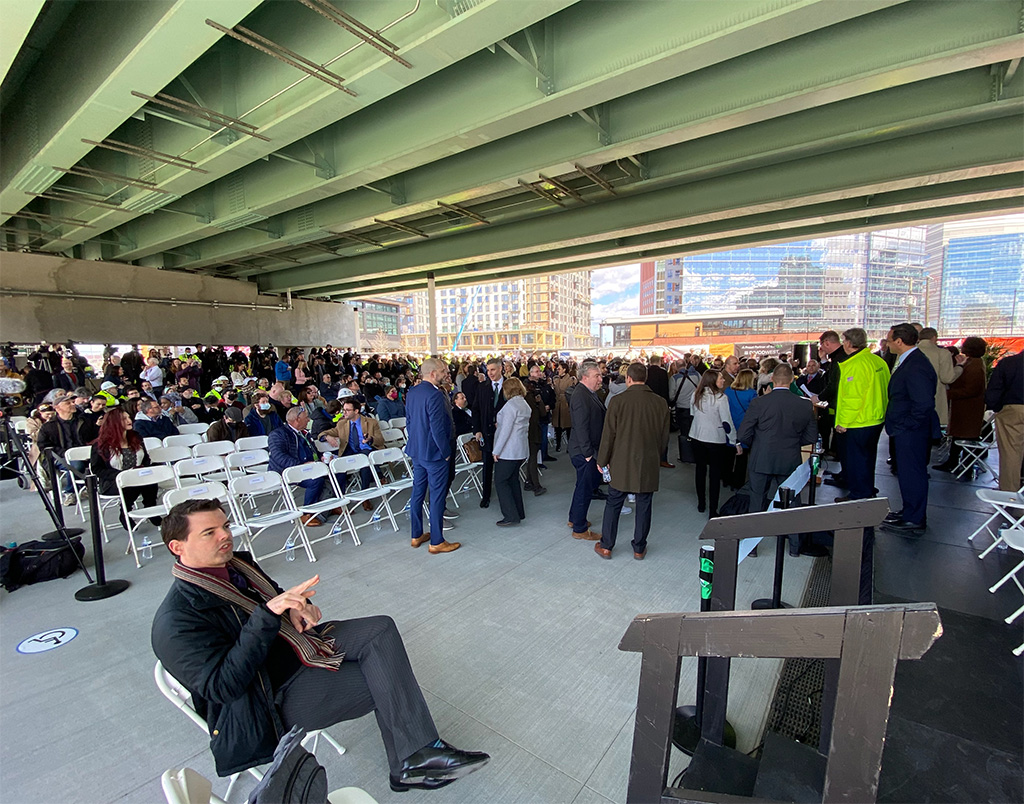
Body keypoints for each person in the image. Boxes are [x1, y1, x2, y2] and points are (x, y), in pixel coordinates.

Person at [151, 498, 489, 792]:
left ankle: (413, 758)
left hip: (297, 648)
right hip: (269, 699)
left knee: (381, 630)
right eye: (209, 533)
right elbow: (224, 686)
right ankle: (413, 759)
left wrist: (299, 609)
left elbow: (278, 600)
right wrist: (269, 616)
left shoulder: (237, 564)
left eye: (225, 526)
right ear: (177, 547)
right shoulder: (176, 620)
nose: (225, 535)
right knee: (385, 678)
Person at [593, 363, 670, 560]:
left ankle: (607, 545)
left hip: (621, 460)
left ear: (628, 378)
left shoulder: (618, 401)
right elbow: (664, 437)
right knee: (644, 504)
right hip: (648, 460)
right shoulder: (660, 402)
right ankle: (639, 548)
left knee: (614, 502)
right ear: (646, 379)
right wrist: (656, 455)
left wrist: (602, 460)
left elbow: (608, 434)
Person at [880, 323, 939, 535]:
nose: (886, 343)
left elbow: (923, 403)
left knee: (913, 473)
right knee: (907, 473)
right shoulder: (910, 361)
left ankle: (914, 518)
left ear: (899, 341)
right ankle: (909, 511)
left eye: (889, 339)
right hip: (907, 429)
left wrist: (906, 425)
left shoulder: (916, 365)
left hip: (912, 431)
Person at [737, 364, 817, 517]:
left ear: (772, 379)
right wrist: (792, 443)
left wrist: (758, 443)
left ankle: (752, 537)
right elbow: (811, 436)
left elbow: (743, 434)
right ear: (792, 380)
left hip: (761, 456)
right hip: (789, 458)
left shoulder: (759, 403)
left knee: (756, 500)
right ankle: (794, 539)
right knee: (791, 500)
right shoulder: (805, 405)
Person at [405, 358, 459, 553]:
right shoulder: (434, 395)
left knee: (418, 492)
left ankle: (416, 534)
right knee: (436, 496)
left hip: (417, 451)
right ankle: (436, 540)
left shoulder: (412, 392)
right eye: (443, 371)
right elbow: (437, 428)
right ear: (433, 373)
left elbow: (409, 422)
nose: (446, 374)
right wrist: (445, 453)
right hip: (435, 454)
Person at [834, 328, 889, 504]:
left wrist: (843, 422)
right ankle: (867, 489)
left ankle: (859, 495)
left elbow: (853, 397)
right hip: (875, 417)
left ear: (849, 343)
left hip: (859, 420)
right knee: (867, 458)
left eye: (844, 341)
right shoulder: (877, 361)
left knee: (856, 460)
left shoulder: (855, 365)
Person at [89, 408, 160, 529]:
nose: (129, 420)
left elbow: (145, 458)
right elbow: (97, 469)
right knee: (130, 482)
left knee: (150, 479)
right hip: (113, 481)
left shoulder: (136, 436)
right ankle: (125, 512)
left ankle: (150, 508)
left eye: (128, 417)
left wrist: (143, 468)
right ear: (114, 422)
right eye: (124, 419)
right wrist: (122, 475)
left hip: (137, 475)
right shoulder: (101, 445)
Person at [268, 407, 337, 527]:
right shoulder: (277, 435)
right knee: (316, 480)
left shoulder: (304, 433)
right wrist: (300, 465)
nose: (309, 420)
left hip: (310, 467)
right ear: (297, 420)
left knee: (337, 473)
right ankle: (307, 513)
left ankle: (331, 507)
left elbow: (313, 451)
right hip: (288, 471)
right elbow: (279, 457)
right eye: (306, 418)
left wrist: (320, 457)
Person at [933, 337, 987, 473]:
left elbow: (971, 389)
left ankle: (963, 464)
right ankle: (955, 462)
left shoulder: (975, 366)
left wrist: (948, 394)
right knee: (959, 435)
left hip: (968, 409)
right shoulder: (973, 362)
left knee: (965, 436)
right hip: (965, 408)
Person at [688, 370, 735, 517]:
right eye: (721, 378)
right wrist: (734, 440)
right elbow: (727, 422)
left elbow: (692, 414)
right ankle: (713, 509)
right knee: (715, 474)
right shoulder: (721, 398)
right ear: (713, 380)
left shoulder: (696, 395)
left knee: (700, 470)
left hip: (696, 436)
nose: (723, 380)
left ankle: (701, 503)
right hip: (715, 439)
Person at [567, 362, 605, 541]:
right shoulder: (581, 395)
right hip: (584, 451)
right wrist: (589, 454)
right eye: (596, 375)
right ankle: (579, 529)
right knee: (585, 489)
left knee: (581, 486)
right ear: (584, 377)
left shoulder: (589, 393)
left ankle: (575, 519)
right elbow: (581, 427)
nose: (600, 378)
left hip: (585, 449)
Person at [319, 397, 382, 506]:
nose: (344, 412)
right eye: (344, 410)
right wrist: (327, 437)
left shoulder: (371, 422)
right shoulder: (342, 424)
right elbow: (323, 433)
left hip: (366, 450)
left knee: (365, 458)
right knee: (339, 463)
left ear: (356, 411)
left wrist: (370, 439)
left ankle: (365, 494)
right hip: (351, 451)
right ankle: (339, 498)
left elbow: (381, 440)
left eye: (347, 410)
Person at [490, 378, 531, 526]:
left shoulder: (510, 406)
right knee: (513, 480)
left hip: (508, 450)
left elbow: (505, 431)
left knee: (500, 481)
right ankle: (519, 511)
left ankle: (510, 515)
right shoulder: (524, 404)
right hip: (520, 448)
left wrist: (496, 451)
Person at [37, 393, 90, 504]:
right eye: (68, 403)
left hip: (85, 453)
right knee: (76, 464)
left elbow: (94, 436)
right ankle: (70, 492)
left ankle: (92, 487)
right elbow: (44, 446)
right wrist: (64, 453)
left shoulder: (83, 421)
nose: (72, 404)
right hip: (59, 457)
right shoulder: (48, 426)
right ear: (57, 407)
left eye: (72, 402)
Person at [985, 348, 1024, 492]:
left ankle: (1009, 493)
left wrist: (996, 407)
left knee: (1011, 453)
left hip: (1012, 408)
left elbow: (994, 390)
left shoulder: (1009, 363)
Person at [472, 359, 506, 509]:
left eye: (493, 370)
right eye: (488, 370)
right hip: (487, 433)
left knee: (504, 465)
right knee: (487, 466)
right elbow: (476, 409)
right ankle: (485, 496)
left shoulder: (509, 386)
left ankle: (505, 495)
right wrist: (477, 430)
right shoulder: (482, 387)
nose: (490, 373)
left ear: (500, 369)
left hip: (505, 433)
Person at [917, 328, 962, 428]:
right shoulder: (942, 353)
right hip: (935, 396)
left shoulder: (910, 352)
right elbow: (947, 378)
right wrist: (959, 367)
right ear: (934, 337)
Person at [724, 369, 758, 489]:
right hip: (745, 427)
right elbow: (755, 411)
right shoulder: (752, 393)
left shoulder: (728, 391)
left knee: (728, 454)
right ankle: (738, 482)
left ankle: (726, 478)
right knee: (742, 457)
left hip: (729, 426)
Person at [669, 357, 702, 463]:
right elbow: (702, 388)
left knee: (684, 432)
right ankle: (697, 453)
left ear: (676, 366)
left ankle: (686, 455)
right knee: (696, 431)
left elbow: (671, 396)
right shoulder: (697, 375)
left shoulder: (674, 378)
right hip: (696, 408)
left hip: (682, 408)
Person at [551, 363, 575, 452]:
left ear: (564, 369)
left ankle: (569, 445)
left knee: (568, 426)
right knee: (557, 427)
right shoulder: (556, 379)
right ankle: (558, 444)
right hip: (557, 404)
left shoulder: (570, 379)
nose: (558, 370)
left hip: (566, 403)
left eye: (559, 368)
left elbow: (571, 391)